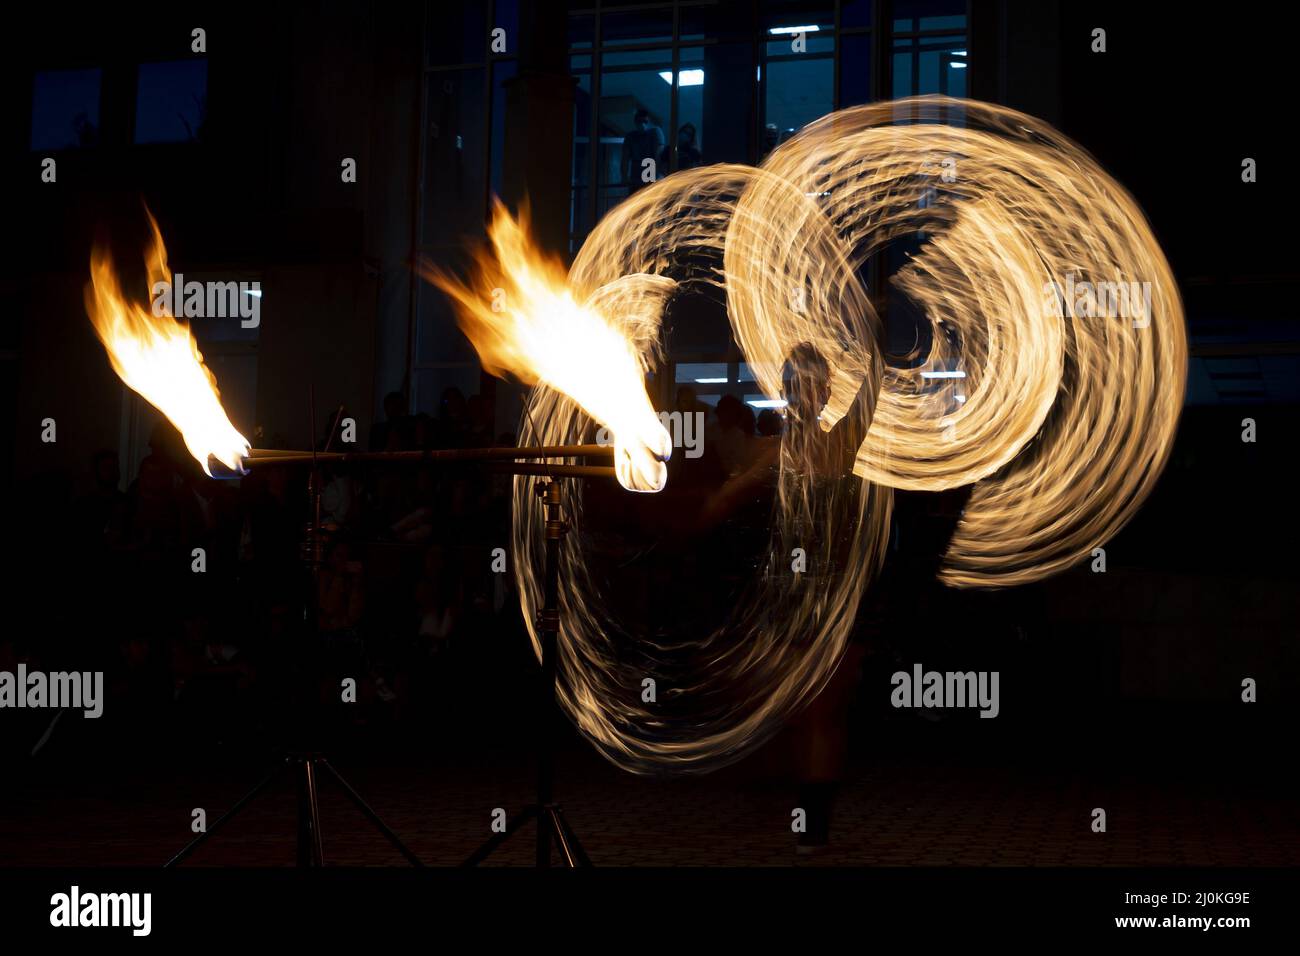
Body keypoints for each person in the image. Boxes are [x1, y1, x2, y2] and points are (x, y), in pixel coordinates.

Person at [622, 108, 664, 192]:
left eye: (645, 121)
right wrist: (624, 176)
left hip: (647, 177)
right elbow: (625, 158)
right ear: (635, 122)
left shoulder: (655, 132)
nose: (642, 124)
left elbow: (658, 156)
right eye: (639, 121)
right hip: (637, 178)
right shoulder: (631, 136)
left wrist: (654, 177)